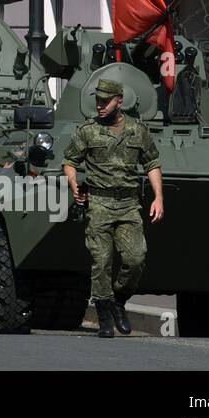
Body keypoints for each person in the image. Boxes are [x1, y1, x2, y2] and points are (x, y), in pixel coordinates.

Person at [63, 78, 165, 339]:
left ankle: (118, 299)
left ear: (119, 101)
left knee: (136, 258)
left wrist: (158, 197)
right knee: (102, 261)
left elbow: (152, 163)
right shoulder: (88, 130)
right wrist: (74, 184)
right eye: (97, 100)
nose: (99, 105)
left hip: (128, 205)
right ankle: (104, 316)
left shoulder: (137, 130)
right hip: (99, 204)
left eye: (105, 101)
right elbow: (70, 161)